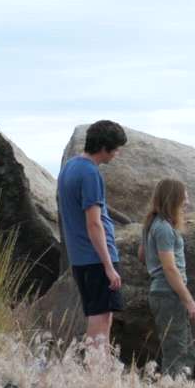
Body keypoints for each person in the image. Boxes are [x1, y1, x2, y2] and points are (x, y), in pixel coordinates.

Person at [58, 120, 127, 350]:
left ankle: (97, 372)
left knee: (96, 316)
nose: (117, 154)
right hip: (96, 257)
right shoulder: (90, 174)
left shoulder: (70, 166)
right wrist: (109, 266)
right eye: (116, 149)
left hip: (79, 258)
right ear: (105, 147)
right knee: (102, 318)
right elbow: (94, 223)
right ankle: (96, 375)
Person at [137, 179, 195, 377]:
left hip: (161, 293)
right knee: (177, 353)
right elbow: (170, 268)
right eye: (185, 196)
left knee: (184, 349)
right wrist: (188, 300)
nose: (187, 201)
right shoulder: (164, 228)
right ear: (174, 199)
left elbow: (142, 255)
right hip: (169, 295)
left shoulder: (151, 224)